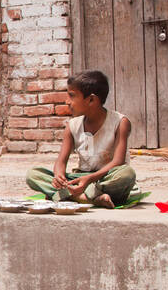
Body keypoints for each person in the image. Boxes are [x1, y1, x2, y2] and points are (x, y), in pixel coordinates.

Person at [25, 69, 137, 208]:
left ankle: (73, 196)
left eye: (72, 96)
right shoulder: (72, 126)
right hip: (79, 178)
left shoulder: (120, 122)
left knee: (127, 174)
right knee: (33, 174)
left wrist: (90, 179)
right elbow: (61, 161)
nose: (67, 101)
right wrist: (59, 176)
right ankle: (87, 197)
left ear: (91, 99)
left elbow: (118, 162)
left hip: (105, 177)